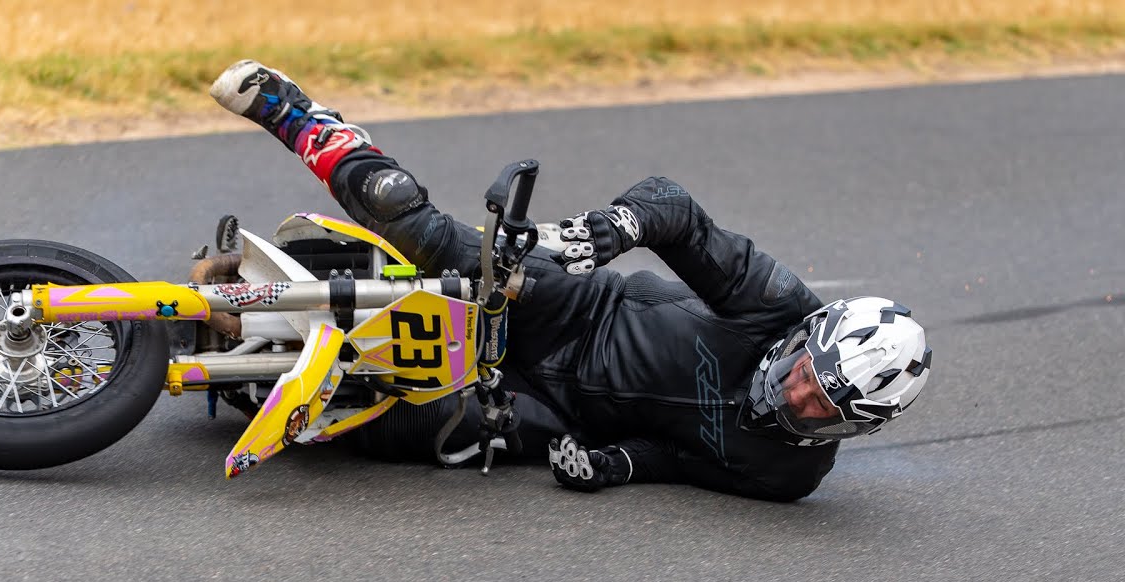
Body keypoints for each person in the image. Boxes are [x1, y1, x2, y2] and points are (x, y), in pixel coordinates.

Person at [208, 60, 932, 502]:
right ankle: (302, 119)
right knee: (420, 228)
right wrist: (610, 230)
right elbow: (676, 209)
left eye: (825, 411)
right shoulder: (774, 304)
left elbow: (686, 460)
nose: (801, 399)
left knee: (409, 434)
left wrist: (615, 464)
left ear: (855, 429)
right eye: (810, 376)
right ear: (809, 337)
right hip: (569, 312)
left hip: (556, 411)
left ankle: (246, 380)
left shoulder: (787, 475)